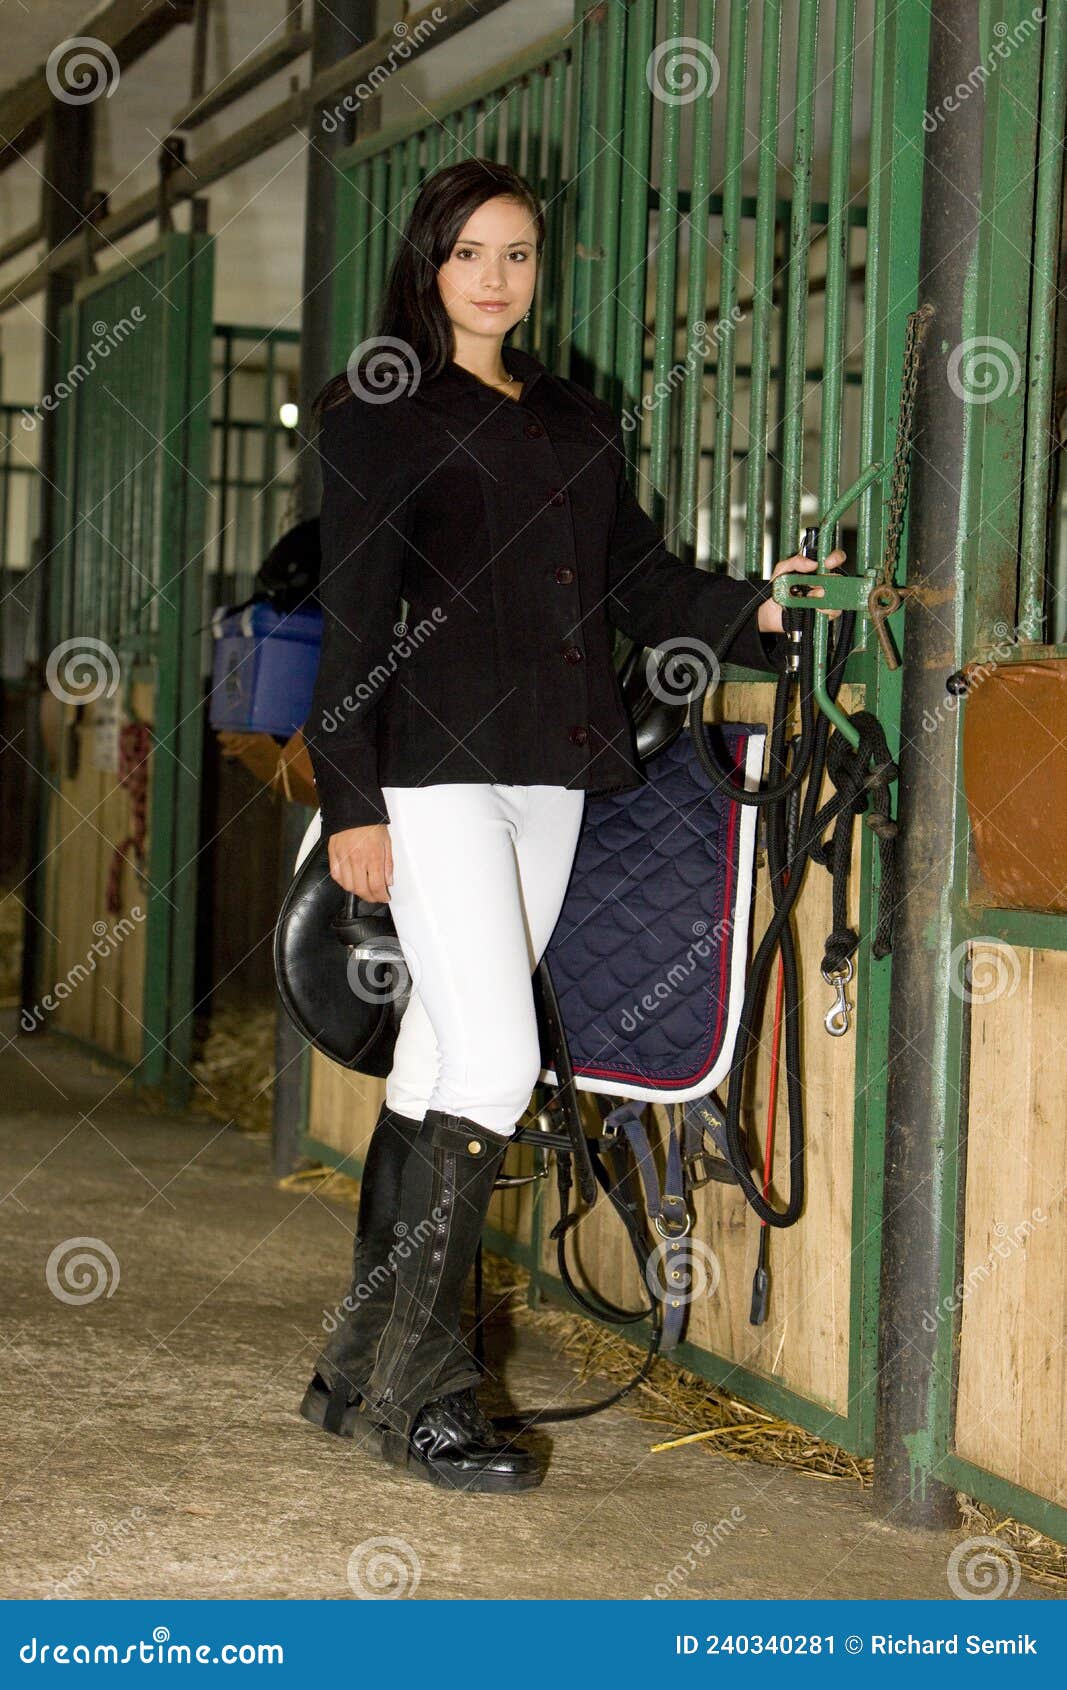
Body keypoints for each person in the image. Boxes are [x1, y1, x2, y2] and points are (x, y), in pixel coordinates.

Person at [298, 159, 843, 1494]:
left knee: (439, 1054)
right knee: (493, 1057)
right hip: (425, 767)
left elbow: (635, 577)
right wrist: (350, 796)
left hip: (549, 767)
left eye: (520, 255)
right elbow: (355, 610)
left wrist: (757, 609)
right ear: (430, 264)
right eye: (473, 252)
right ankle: (424, 1400)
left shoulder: (579, 422)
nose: (497, 277)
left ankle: (352, 1361)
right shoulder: (381, 413)